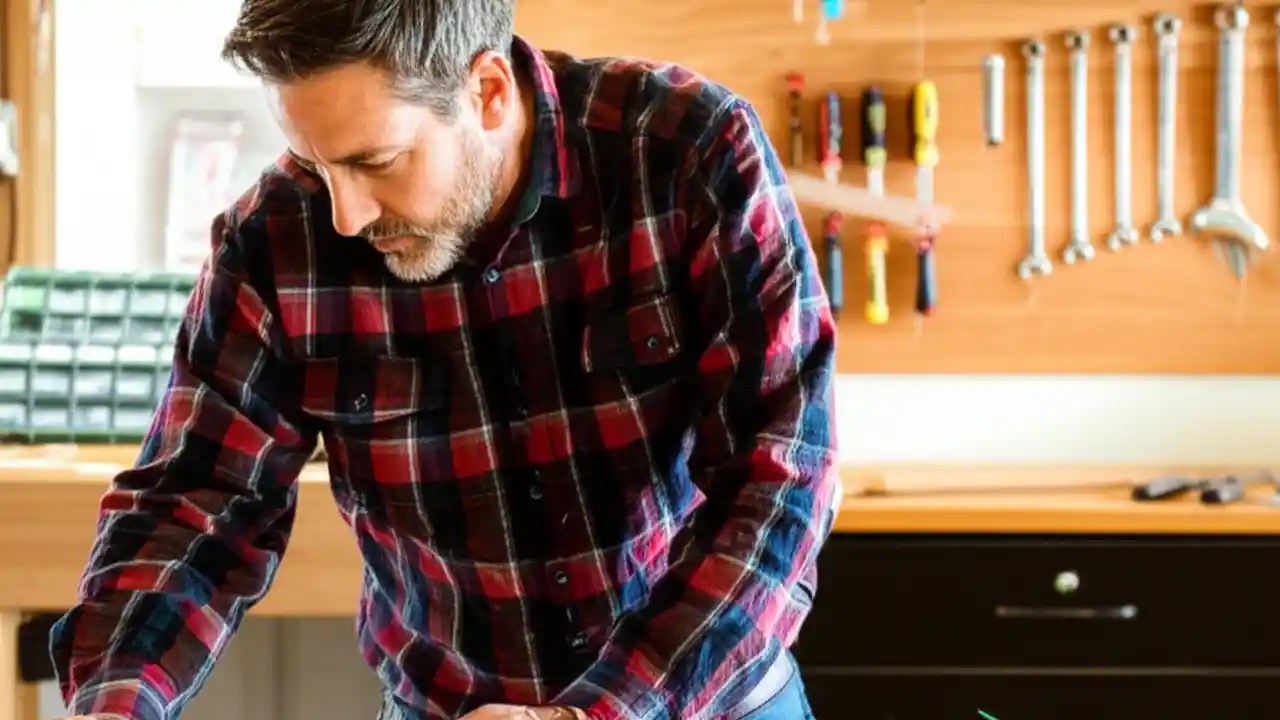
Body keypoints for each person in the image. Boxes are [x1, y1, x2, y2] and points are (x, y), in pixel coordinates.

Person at [48, 1, 839, 718]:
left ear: (487, 91)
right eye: (316, 166)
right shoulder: (273, 243)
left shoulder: (688, 154)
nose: (346, 216)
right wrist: (111, 708)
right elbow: (195, 506)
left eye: (374, 162)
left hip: (704, 697)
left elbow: (780, 479)